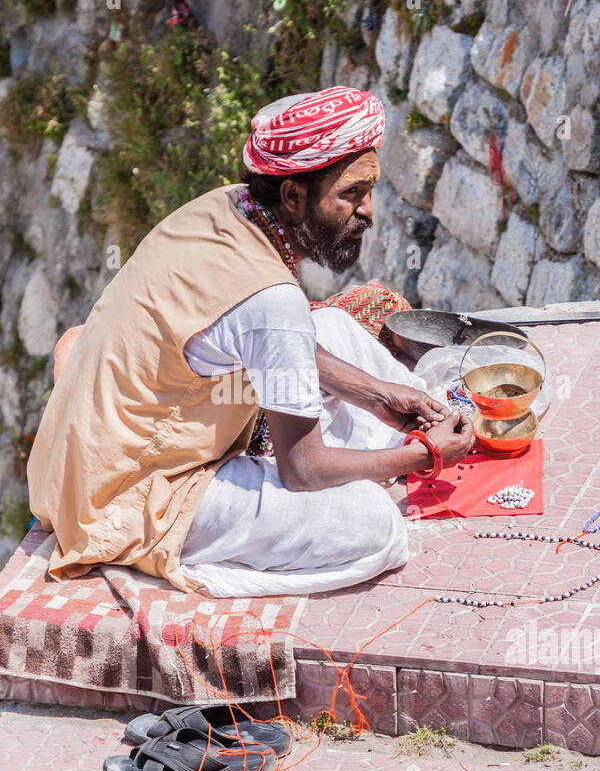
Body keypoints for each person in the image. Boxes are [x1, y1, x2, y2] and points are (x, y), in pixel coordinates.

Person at [27, 86, 474, 597]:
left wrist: (380, 396)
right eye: (351, 194)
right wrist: (422, 457)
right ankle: (186, 571)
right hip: (128, 494)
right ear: (292, 195)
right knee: (377, 528)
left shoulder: (226, 206)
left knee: (328, 328)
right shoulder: (271, 301)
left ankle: (383, 443)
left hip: (91, 454)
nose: (368, 211)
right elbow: (304, 469)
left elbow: (274, 336)